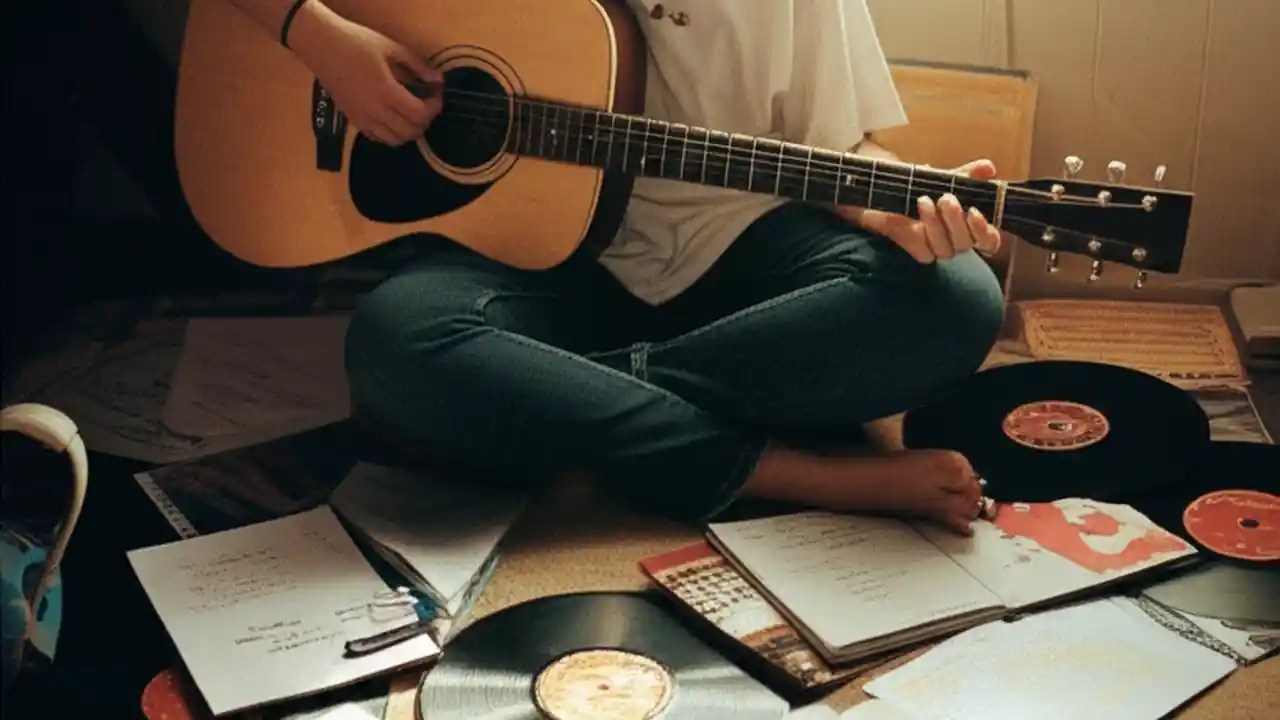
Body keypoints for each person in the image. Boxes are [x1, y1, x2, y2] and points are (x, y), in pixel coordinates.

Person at [226, 0, 1006, 535]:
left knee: (960, 299)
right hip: (547, 266)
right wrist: (318, 34)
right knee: (396, 338)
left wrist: (891, 210)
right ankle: (803, 474)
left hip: (739, 257)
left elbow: (840, 147)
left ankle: (556, 406)